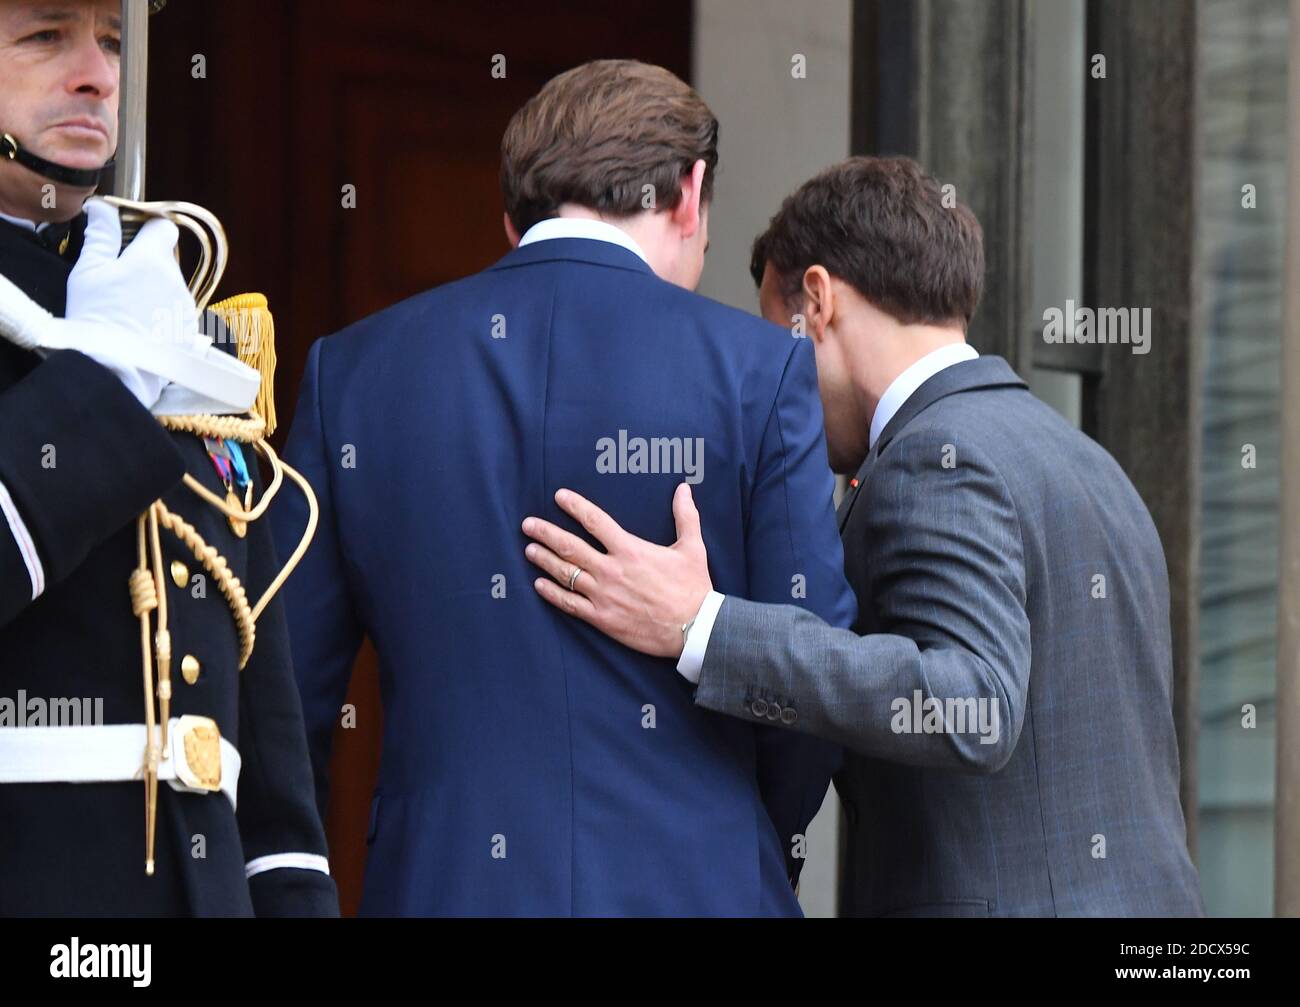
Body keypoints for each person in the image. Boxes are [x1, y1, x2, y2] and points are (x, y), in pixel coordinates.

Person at [522, 155, 1206, 917]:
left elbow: (970, 704)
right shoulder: (1087, 460)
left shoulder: (935, 456)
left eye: (773, 336)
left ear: (816, 300)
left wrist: (701, 624)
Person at [271, 58, 853, 916]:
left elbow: (283, 691)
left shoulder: (351, 374)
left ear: (512, 220)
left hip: (443, 887)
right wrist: (733, 831)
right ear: (690, 194)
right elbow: (813, 666)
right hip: (701, 885)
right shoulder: (761, 370)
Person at [0, 0, 337, 916]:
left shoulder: (164, 311)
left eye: (112, 41)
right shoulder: (127, 334)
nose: (98, 74)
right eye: (45, 36)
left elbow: (266, 770)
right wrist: (101, 375)